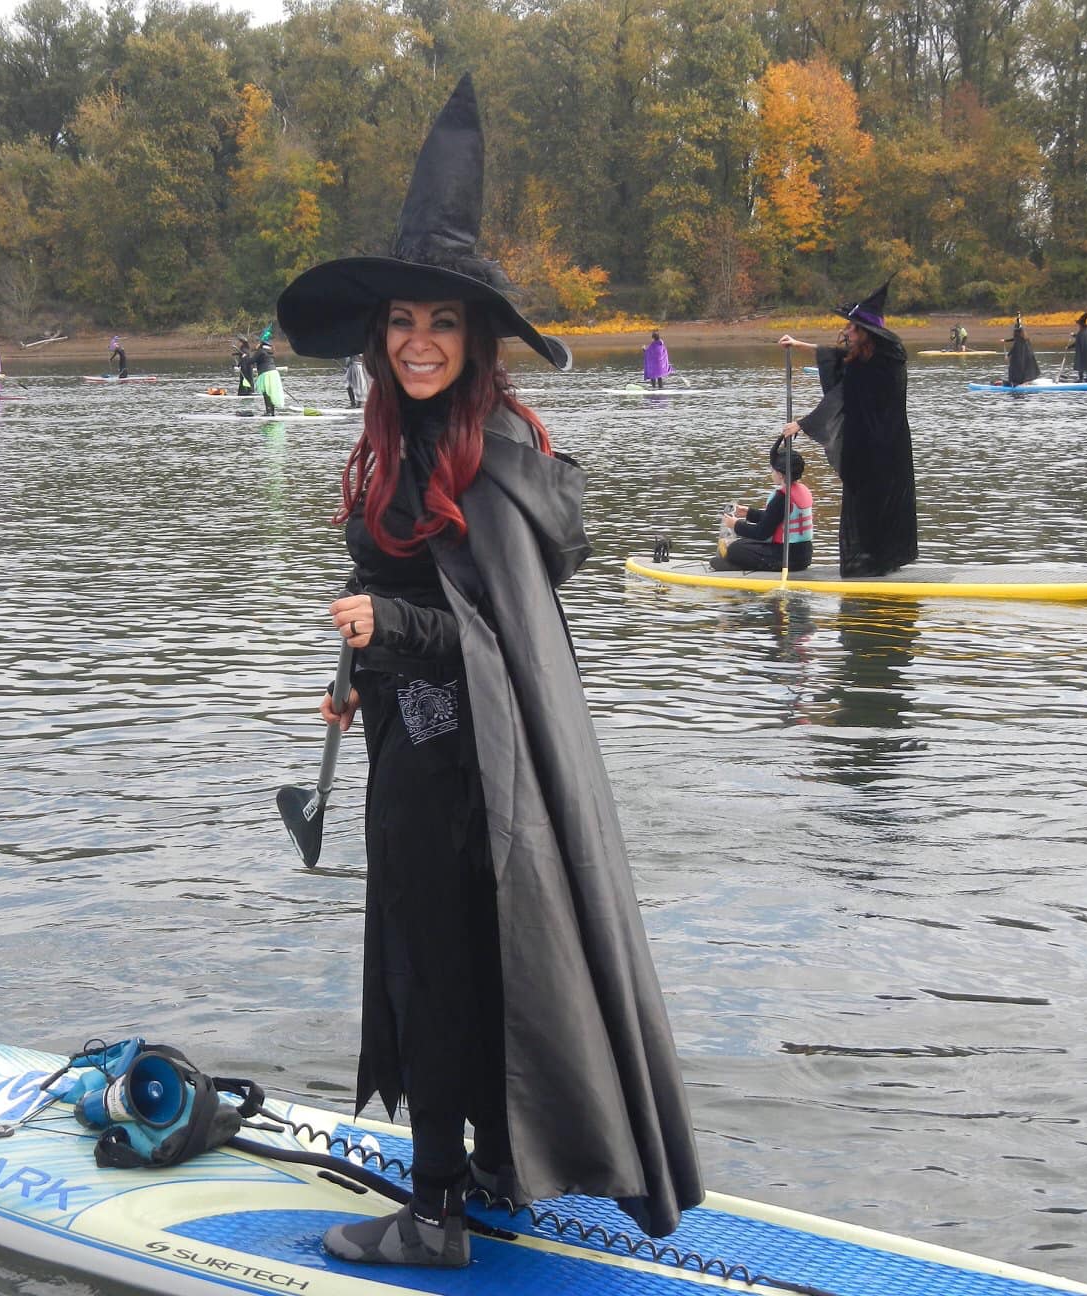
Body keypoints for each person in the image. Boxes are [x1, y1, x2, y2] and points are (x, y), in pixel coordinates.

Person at [275, 72, 702, 1271]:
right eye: (402, 323)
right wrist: (358, 673)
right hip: (419, 755)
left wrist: (389, 633)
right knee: (449, 973)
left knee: (444, 981)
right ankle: (485, 1174)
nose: (418, 343)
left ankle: (435, 1217)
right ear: (382, 337)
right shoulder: (400, 444)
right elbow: (424, 601)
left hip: (474, 783)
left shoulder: (498, 455)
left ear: (477, 342)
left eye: (442, 325)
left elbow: (492, 644)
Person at [779, 277, 918, 577]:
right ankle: (873, 559)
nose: (845, 332)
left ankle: (879, 561)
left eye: (851, 327)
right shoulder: (861, 360)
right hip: (868, 445)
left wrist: (802, 424)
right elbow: (836, 359)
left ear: (865, 333)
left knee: (881, 498)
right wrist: (798, 344)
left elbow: (841, 395)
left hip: (886, 445)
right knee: (866, 499)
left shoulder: (888, 360)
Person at [710, 441, 812, 573]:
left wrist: (735, 525)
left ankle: (736, 566)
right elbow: (775, 519)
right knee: (745, 542)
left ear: (780, 474)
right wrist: (749, 513)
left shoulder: (782, 498)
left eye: (772, 470)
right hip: (804, 555)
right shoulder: (802, 490)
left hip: (787, 558)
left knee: (736, 548)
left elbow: (761, 533)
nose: (771, 473)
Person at [1004, 318, 1040, 387]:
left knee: (1017, 368)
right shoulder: (1024, 336)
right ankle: (1025, 381)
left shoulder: (1020, 338)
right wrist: (1005, 340)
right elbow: (1014, 340)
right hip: (1028, 356)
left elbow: (1014, 347)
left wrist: (1008, 355)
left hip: (1023, 357)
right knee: (1025, 368)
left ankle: (1022, 382)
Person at [253, 339, 285, 414]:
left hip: (266, 374)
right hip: (274, 374)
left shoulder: (260, 352)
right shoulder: (269, 352)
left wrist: (244, 357)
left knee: (266, 393)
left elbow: (252, 360)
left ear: (261, 345)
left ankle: (268, 412)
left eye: (259, 344)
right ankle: (272, 411)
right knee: (271, 392)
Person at [1071, 311, 1087, 382]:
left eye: (1078, 324)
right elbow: (1080, 338)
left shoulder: (1081, 332)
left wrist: (1069, 347)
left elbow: (1078, 342)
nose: (1078, 326)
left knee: (1080, 364)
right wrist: (1074, 335)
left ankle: (1081, 379)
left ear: (1081, 325)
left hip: (1082, 353)